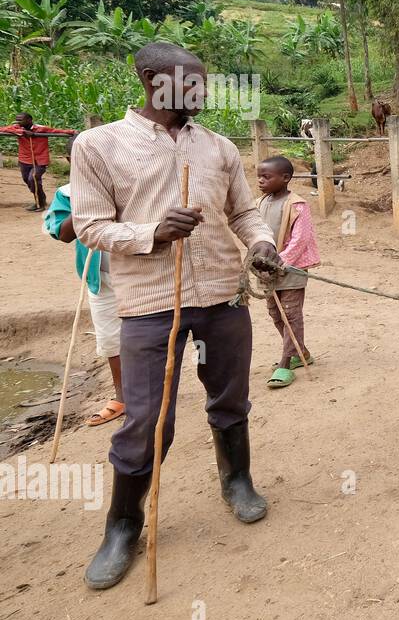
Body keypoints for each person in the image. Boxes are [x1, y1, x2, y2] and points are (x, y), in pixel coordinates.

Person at [71, 42, 282, 591]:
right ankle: (122, 524)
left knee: (231, 399)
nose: (203, 92)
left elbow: (244, 212)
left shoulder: (219, 148)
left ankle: (236, 481)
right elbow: (90, 226)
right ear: (149, 79)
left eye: (204, 83)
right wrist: (151, 233)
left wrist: (261, 244)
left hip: (222, 298)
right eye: (191, 83)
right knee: (146, 419)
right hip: (148, 305)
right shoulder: (98, 145)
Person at [44, 185, 125, 427]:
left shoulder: (127, 175)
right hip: (99, 277)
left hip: (140, 273)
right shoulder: (67, 194)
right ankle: (123, 397)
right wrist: (85, 201)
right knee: (111, 338)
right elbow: (62, 233)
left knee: (151, 332)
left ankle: (155, 392)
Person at [255, 156, 322, 389]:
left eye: (266, 177)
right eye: (259, 177)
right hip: (266, 270)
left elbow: (300, 240)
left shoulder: (297, 205)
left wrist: (280, 262)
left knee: (290, 314)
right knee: (275, 313)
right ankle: (300, 352)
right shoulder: (259, 203)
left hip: (291, 269)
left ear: (285, 178)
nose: (261, 181)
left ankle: (285, 362)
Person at [1, 113, 78, 211]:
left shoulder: (41, 129)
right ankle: (40, 197)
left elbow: (57, 131)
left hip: (40, 160)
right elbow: (4, 129)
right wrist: (21, 131)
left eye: (21, 120)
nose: (18, 122)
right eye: (17, 120)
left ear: (29, 120)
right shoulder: (17, 127)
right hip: (24, 159)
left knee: (33, 178)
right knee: (27, 180)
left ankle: (40, 204)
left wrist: (73, 132)